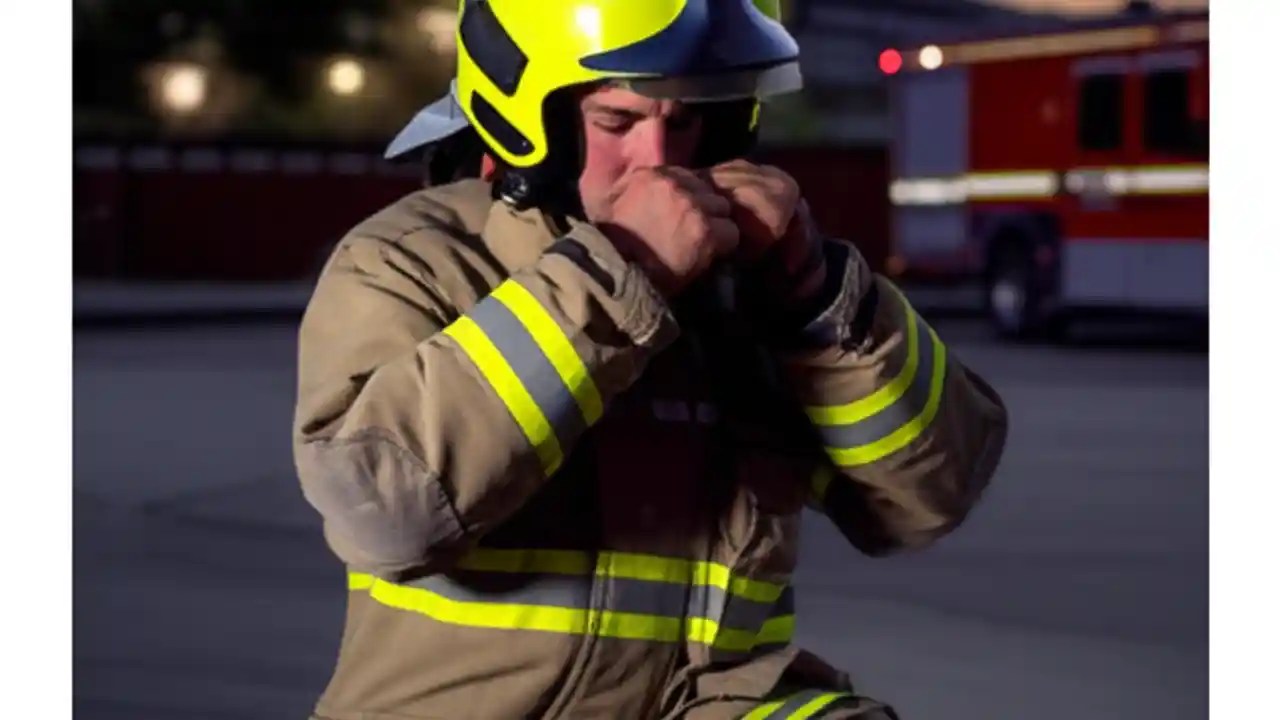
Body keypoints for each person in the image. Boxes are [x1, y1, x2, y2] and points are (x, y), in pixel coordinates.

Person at [293, 1, 1009, 718]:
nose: (660, 161)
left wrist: (818, 300)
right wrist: (620, 275)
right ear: (529, 119)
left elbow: (923, 506)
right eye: (617, 121)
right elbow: (384, 514)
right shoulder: (411, 261)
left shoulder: (747, 283)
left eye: (688, 120)